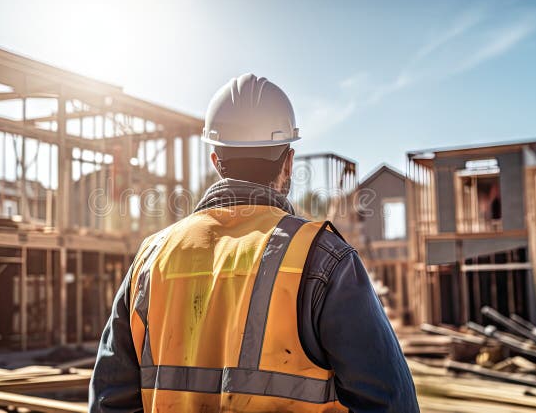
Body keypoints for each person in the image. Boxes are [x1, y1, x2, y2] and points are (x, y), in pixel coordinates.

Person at [89, 73, 418, 413]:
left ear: (216, 163)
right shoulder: (323, 258)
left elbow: (109, 401)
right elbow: (392, 404)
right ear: (288, 163)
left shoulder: (150, 260)